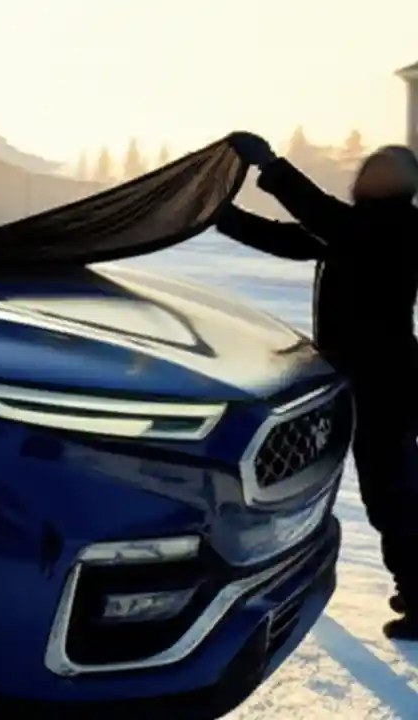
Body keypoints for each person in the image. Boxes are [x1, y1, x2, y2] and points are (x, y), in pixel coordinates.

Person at [215, 132, 418, 640]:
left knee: (392, 494)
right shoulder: (354, 229)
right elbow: (290, 238)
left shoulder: (398, 228)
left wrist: (272, 166)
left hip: (385, 382)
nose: (371, 177)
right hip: (343, 376)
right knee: (320, 482)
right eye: (372, 169)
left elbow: (320, 215)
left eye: (384, 172)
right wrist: (222, 216)